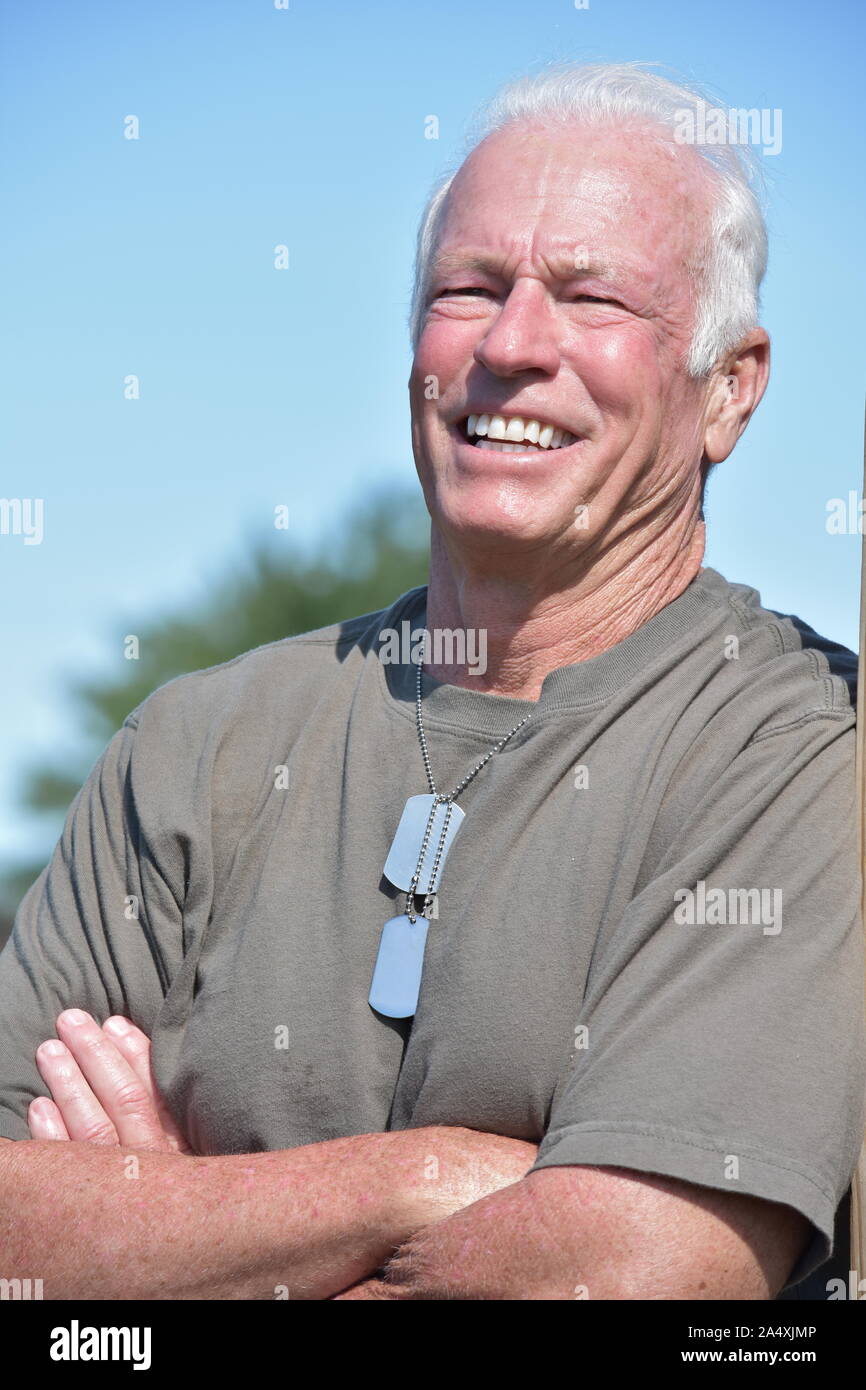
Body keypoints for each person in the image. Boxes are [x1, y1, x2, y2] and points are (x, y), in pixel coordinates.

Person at [0, 61, 863, 1301]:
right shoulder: (195, 746)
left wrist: (169, 1233)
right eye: (468, 288)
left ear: (726, 387)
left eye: (591, 295)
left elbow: (636, 1280)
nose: (512, 345)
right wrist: (421, 1180)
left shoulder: (806, 750)